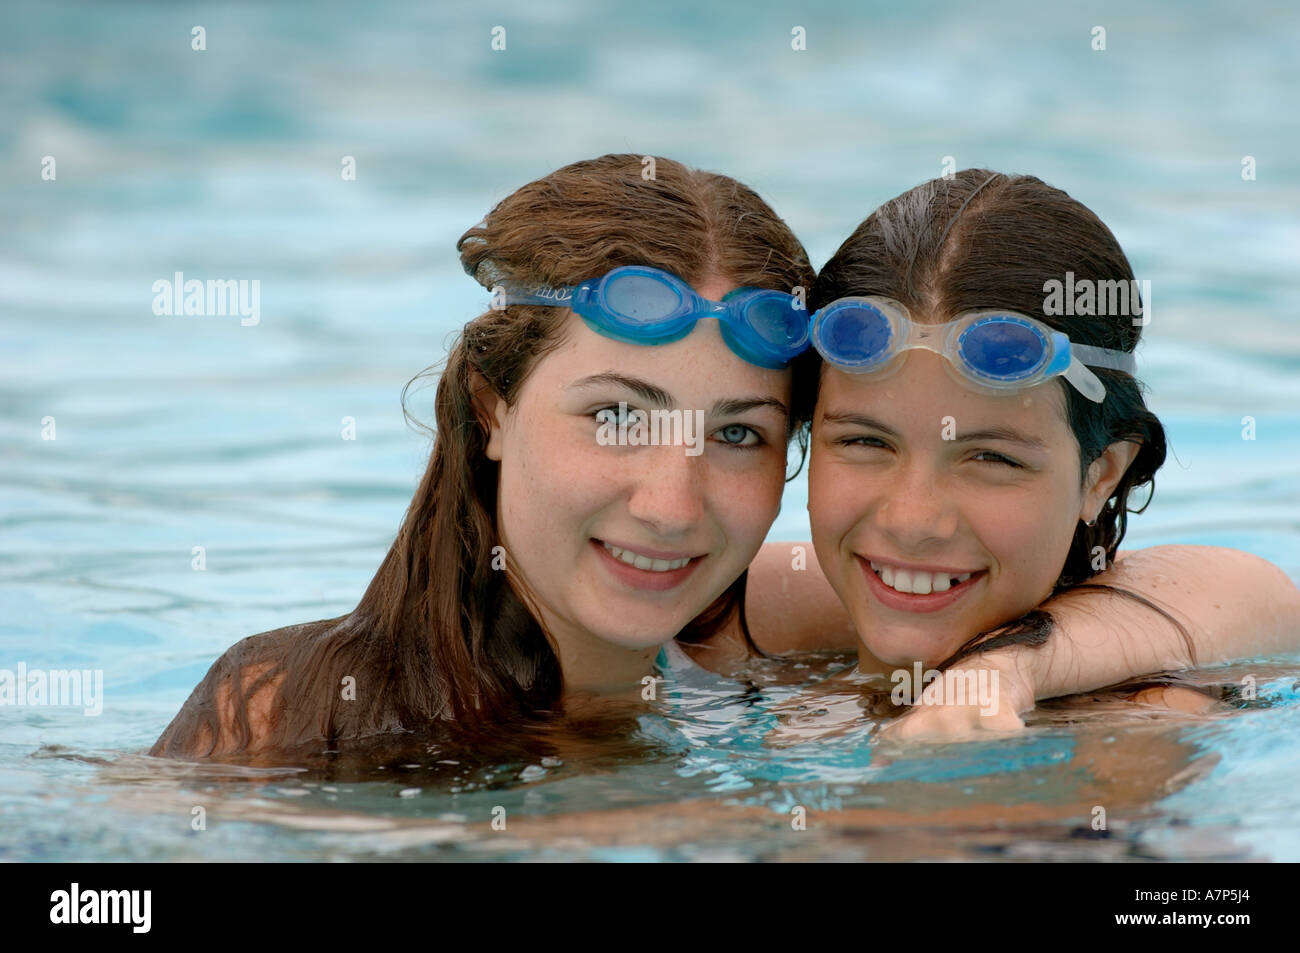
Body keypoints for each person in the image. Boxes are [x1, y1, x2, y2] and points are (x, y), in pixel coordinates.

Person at [150, 157, 1295, 761]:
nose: (670, 502)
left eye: (738, 433)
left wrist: (1009, 671)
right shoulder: (295, 712)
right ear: (491, 407)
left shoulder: (1119, 725)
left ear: (1105, 470)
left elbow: (1248, 593)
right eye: (615, 414)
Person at [799, 168, 1300, 735]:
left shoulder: (1136, 726)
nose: (912, 522)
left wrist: (1007, 667)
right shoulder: (759, 639)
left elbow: (1259, 596)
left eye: (992, 458)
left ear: (1101, 476)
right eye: (865, 441)